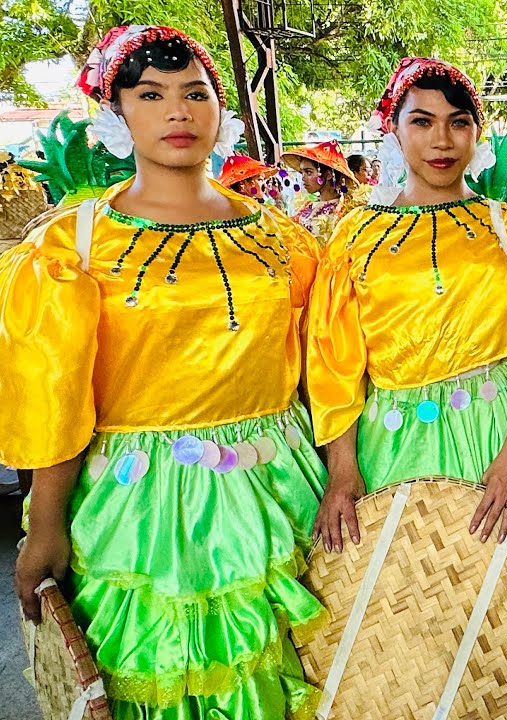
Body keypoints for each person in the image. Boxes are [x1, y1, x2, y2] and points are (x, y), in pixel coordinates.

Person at [4, 25, 326, 718]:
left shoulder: (282, 239)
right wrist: (46, 524)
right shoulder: (72, 243)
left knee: (289, 675)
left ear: (220, 110)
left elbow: (317, 369)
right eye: (151, 95)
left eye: (195, 93)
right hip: (135, 509)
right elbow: (56, 396)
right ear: (116, 113)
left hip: (279, 491)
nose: (178, 111)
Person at [305, 57, 507, 714]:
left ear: (476, 133)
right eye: (422, 122)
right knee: (408, 623)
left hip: (497, 435)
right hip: (393, 451)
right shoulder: (354, 237)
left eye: (458, 123)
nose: (442, 140)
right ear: (393, 130)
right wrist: (342, 471)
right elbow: (335, 363)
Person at [283, 140, 356, 242]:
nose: (303, 178)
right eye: (302, 172)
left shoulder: (345, 210)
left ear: (328, 175)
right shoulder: (308, 205)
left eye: (308, 172)